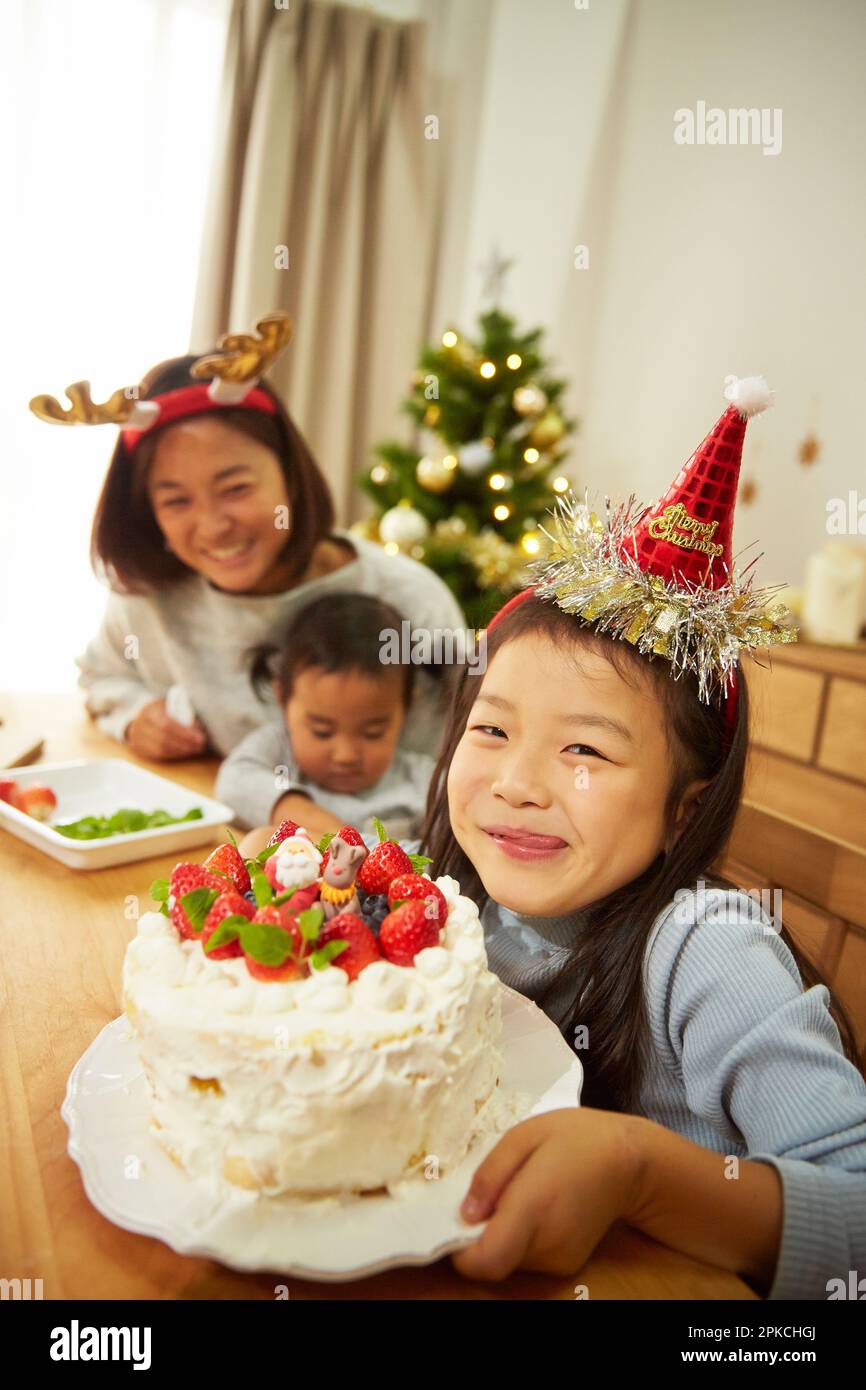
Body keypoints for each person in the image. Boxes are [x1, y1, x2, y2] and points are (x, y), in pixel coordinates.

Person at [419, 377, 866, 1299]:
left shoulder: (707, 956)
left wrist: (638, 1171)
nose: (513, 782)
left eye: (583, 748)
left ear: (682, 807)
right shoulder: (456, 900)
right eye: (492, 730)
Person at [38, 313, 464, 762]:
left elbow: (460, 759)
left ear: (290, 476)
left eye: (235, 489)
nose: (213, 526)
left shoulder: (408, 599)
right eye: (176, 501)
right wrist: (136, 716)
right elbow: (102, 676)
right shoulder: (149, 593)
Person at [217, 592, 435, 850]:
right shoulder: (280, 759)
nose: (345, 755)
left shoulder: (423, 782)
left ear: (406, 707)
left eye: (373, 733)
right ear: (283, 699)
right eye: (322, 732)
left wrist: (369, 854)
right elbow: (235, 782)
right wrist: (335, 833)